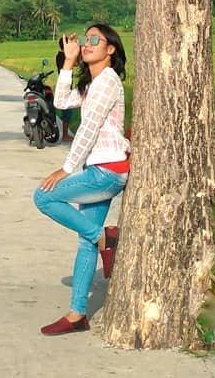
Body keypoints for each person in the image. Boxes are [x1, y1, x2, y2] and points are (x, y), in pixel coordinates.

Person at [33, 23, 129, 336]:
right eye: (83, 39)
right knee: (86, 241)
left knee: (44, 197)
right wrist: (69, 62)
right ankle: (77, 315)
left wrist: (67, 167)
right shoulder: (94, 84)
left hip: (107, 170)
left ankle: (106, 239)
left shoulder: (108, 82)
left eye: (93, 40)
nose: (86, 44)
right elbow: (61, 102)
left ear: (110, 49)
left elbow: (88, 129)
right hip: (101, 169)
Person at [55, 46, 73, 141]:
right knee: (67, 111)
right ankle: (65, 135)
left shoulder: (59, 55)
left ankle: (65, 134)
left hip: (64, 85)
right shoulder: (63, 56)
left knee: (66, 111)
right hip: (66, 86)